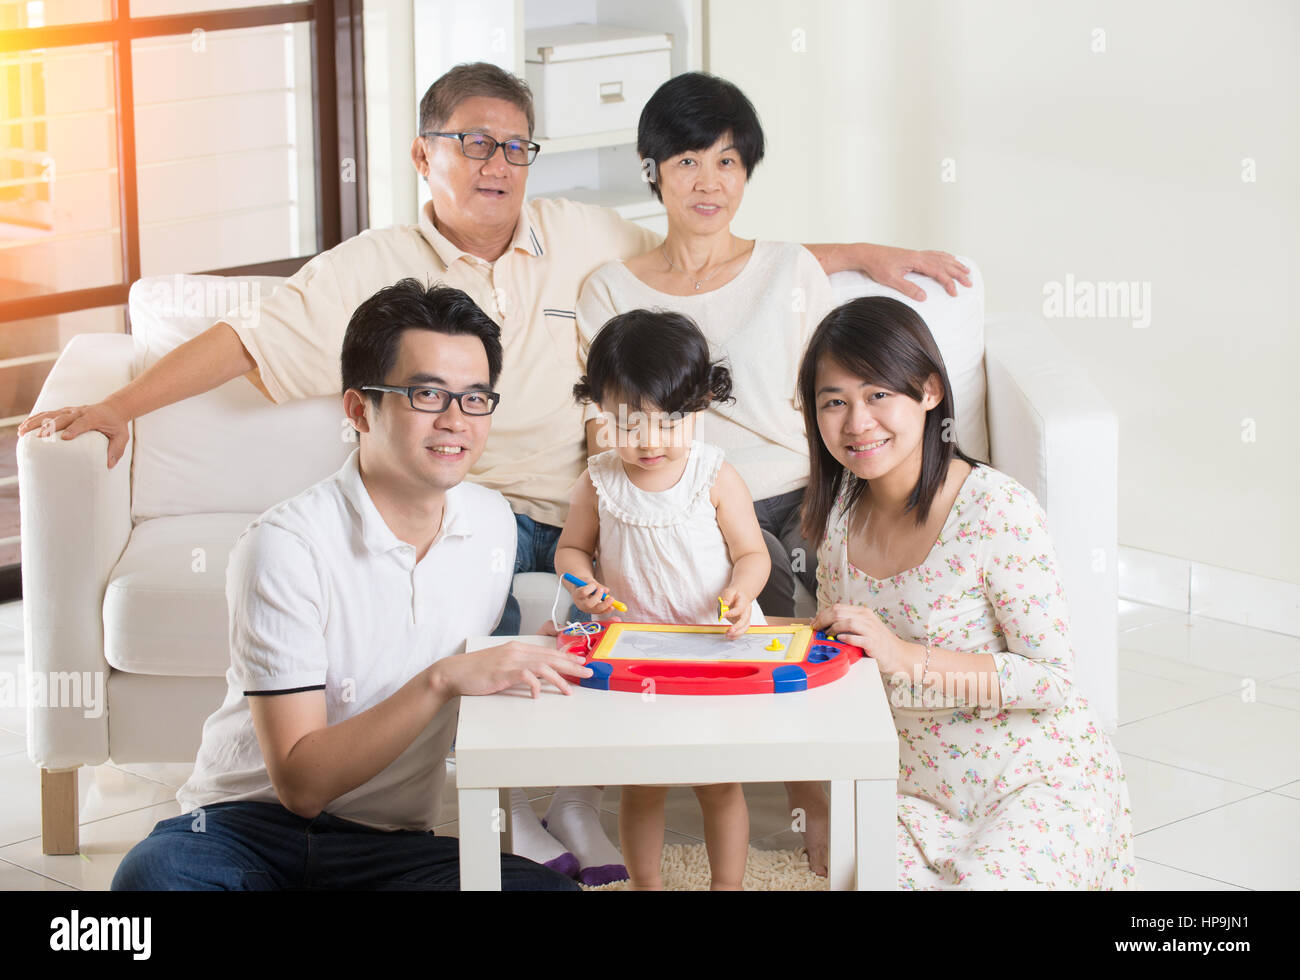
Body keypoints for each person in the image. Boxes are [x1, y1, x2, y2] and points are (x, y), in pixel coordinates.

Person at [20, 60, 968, 880]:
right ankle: (552, 798)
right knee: (513, 604)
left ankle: (623, 800)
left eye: (515, 147)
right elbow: (244, 339)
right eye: (471, 142)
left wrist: (860, 259)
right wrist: (114, 410)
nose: (495, 164)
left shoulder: (584, 236)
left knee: (701, 596)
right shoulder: (376, 264)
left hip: (605, 499)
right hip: (492, 512)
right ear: (421, 155)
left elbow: (710, 248)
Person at [112, 280, 591, 891]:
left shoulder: (494, 524)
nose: (455, 421)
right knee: (155, 879)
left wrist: (549, 652)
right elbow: (302, 787)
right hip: (242, 835)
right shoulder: (285, 545)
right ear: (360, 410)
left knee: (544, 891)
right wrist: (442, 680)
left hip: (388, 850)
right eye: (426, 394)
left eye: (475, 399)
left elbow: (570, 565)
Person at [576, 71, 916, 875]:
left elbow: (821, 399)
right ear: (651, 167)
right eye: (689, 159)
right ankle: (705, 778)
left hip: (794, 490)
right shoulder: (607, 291)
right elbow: (602, 423)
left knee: (795, 591)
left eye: (729, 162)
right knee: (725, 592)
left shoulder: (790, 269)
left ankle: (819, 796)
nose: (709, 181)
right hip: (668, 490)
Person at [800, 296, 1137, 889]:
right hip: (914, 797)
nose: (857, 422)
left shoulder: (995, 509)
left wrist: (905, 657)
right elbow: (842, 672)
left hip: (1030, 778)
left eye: (879, 394)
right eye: (835, 402)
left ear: (928, 391)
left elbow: (1052, 678)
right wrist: (823, 808)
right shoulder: (838, 518)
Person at [554, 310, 770, 890]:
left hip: (709, 647)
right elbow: (570, 551)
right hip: (636, 652)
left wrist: (740, 591)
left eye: (670, 421)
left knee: (718, 782)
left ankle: (727, 885)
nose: (649, 441)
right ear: (597, 408)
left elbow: (754, 555)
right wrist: (584, 585)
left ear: (701, 405)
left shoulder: (714, 475)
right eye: (628, 424)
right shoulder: (598, 480)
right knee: (641, 781)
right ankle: (645, 884)